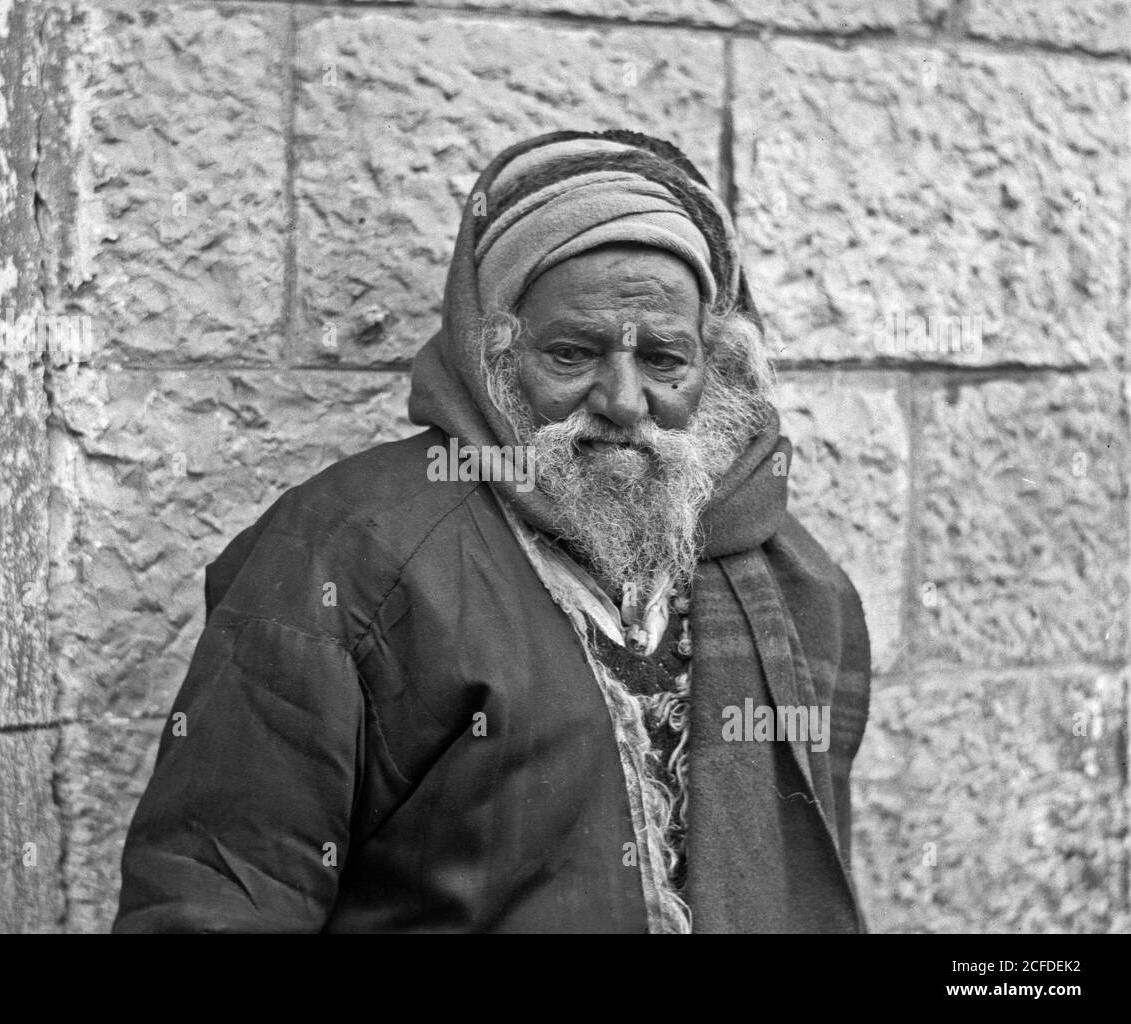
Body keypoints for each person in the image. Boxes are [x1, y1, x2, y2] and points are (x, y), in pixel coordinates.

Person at [113, 129, 872, 933]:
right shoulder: (351, 550)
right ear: (494, 357)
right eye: (572, 354)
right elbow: (217, 894)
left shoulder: (796, 584)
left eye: (664, 359)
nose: (622, 399)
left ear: (712, 368)